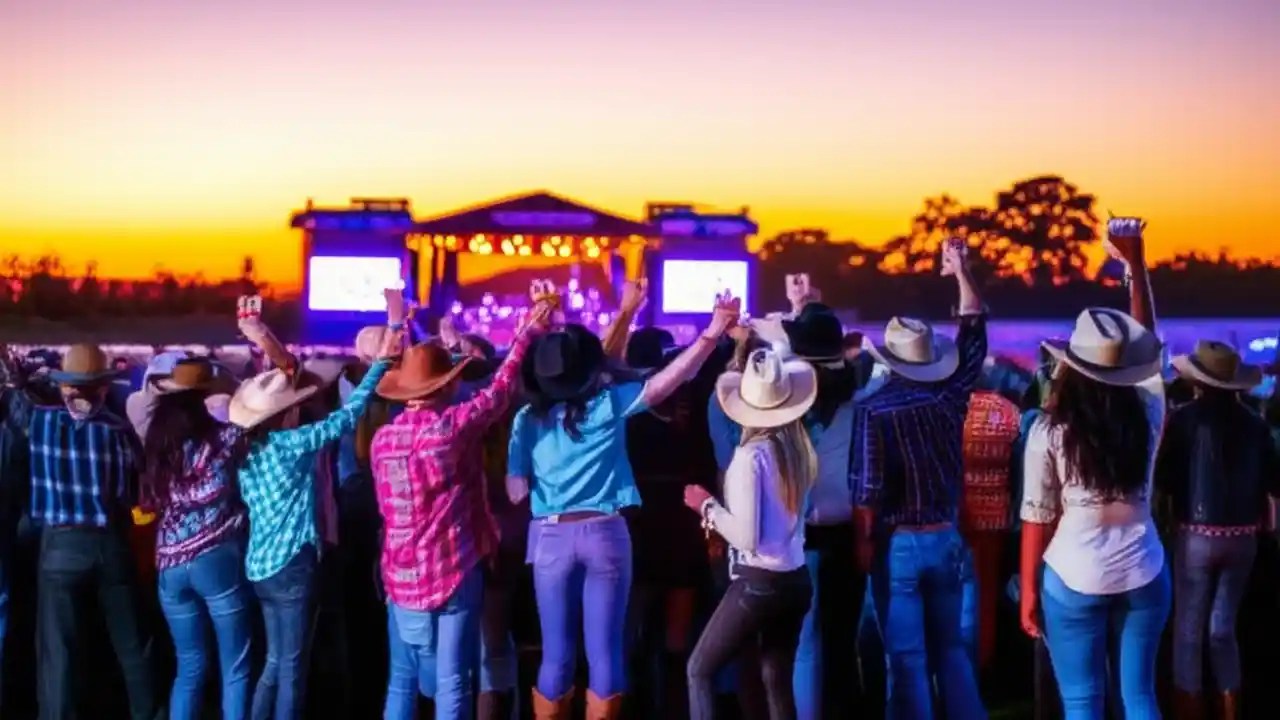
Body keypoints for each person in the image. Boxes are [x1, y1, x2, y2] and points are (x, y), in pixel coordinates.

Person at [507, 290, 740, 720]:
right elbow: (670, 379)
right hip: (605, 532)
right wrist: (710, 333)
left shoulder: (526, 419)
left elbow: (515, 490)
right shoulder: (606, 404)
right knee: (606, 652)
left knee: (556, 653)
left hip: (551, 538)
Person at [370, 285, 551, 720]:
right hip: (452, 567)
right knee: (454, 682)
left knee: (402, 681)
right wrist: (528, 329)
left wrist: (401, 323)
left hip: (400, 573)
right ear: (445, 386)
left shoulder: (382, 440)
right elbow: (501, 387)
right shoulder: (450, 429)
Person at [1019, 218, 1169, 719]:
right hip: (1144, 567)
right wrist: (1137, 266)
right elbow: (1148, 338)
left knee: (1083, 702)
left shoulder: (1050, 430)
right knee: (1141, 697)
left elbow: (1036, 517)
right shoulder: (1147, 413)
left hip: (1073, 572)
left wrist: (1029, 592)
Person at [231, 293, 404, 720]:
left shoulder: (246, 452)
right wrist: (381, 364)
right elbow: (345, 418)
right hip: (293, 567)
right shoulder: (291, 445)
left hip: (260, 567)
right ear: (284, 414)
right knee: (292, 669)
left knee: (273, 663)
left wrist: (259, 334)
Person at [850, 237, 988, 719]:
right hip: (944, 534)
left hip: (899, 543)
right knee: (951, 652)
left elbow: (867, 491)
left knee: (906, 660)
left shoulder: (873, 409)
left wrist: (863, 545)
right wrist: (961, 272)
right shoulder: (950, 395)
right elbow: (974, 333)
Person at [4, 343, 161, 720]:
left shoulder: (38, 424)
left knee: (59, 653)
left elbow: (14, 402)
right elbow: (131, 492)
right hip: (110, 545)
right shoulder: (119, 431)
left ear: (65, 387)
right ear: (104, 388)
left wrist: (22, 376)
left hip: (59, 546)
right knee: (133, 648)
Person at [682, 347, 818, 720]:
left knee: (699, 669)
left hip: (761, 581)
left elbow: (745, 537)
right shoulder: (798, 451)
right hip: (795, 577)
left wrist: (706, 506)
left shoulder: (750, 457)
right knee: (776, 678)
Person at [1157, 340, 1279, 718]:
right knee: (1222, 629)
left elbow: (1166, 477)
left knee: (1189, 633)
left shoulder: (1183, 419)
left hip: (1195, 534)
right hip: (1242, 538)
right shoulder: (1256, 425)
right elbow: (1273, 482)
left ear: (1199, 381)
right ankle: (1229, 707)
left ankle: (1190, 709)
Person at [138, 357, 253, 720]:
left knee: (189, 668)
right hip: (216, 556)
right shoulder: (225, 438)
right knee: (234, 666)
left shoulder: (159, 440)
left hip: (169, 563)